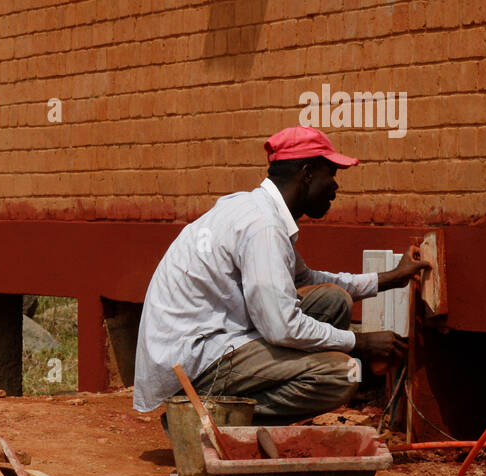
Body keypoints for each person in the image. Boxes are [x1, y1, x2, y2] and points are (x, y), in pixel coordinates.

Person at [132, 125, 430, 424]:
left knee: (332, 300)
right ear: (308, 173)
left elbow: (307, 281)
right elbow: (282, 328)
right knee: (343, 373)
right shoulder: (263, 226)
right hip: (194, 363)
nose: (335, 189)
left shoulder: (259, 210)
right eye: (332, 177)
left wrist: (390, 278)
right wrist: (361, 344)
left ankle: (227, 409)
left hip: (214, 341)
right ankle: (208, 417)